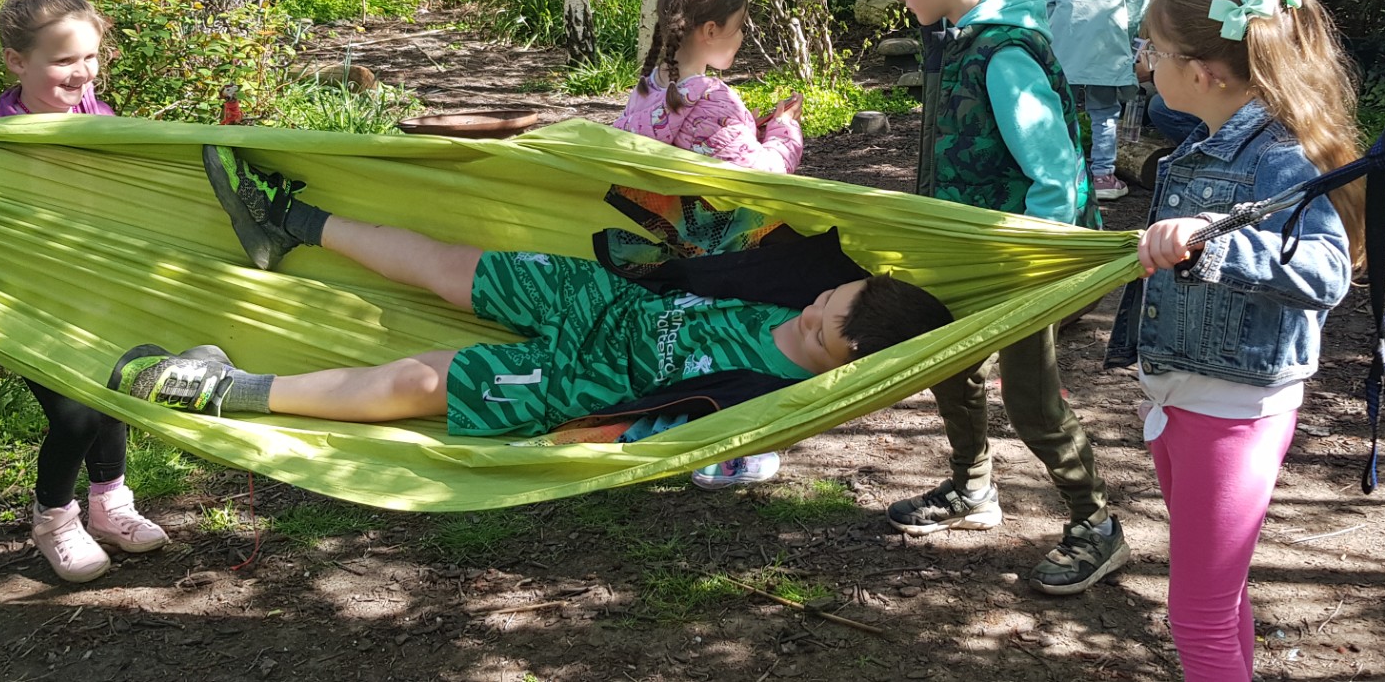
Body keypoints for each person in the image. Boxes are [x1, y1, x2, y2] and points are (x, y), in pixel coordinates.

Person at [109, 148, 954, 439]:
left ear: (849, 365)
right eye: (834, 296)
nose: (815, 310)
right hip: (605, 304)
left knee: (424, 381)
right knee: (453, 264)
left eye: (826, 328)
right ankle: (286, 220)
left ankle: (218, 390)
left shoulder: (779, 397)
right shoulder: (804, 288)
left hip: (585, 384)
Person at [1112, 0, 1364, 680]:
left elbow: (1328, 270)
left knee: (1195, 612)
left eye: (1153, 52)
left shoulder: (1279, 157)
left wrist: (1213, 244)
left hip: (1234, 408)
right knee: (1219, 598)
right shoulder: (1208, 135)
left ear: (1205, 73)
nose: (1142, 63)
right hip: (1181, 396)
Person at [876, 0, 1123, 597]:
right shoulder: (959, 37)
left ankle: (1095, 522)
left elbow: (1054, 172)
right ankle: (973, 486)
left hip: (1018, 265)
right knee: (949, 365)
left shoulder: (1004, 55)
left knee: (1032, 397)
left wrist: (1036, 265)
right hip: (968, 257)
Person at [0, 0, 169, 583]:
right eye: (64, 60)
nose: (83, 72)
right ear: (17, 61)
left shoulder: (100, 119)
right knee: (76, 414)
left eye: (90, 56)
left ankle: (109, 503)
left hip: (95, 292)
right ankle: (53, 516)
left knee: (115, 396)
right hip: (21, 304)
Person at [613, 0, 804, 488]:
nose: (742, 38)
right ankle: (724, 457)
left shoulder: (646, 93)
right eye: (739, 26)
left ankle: (665, 431)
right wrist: (784, 133)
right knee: (727, 349)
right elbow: (759, 179)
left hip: (659, 252)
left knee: (678, 348)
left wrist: (755, 129)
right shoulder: (713, 100)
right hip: (718, 253)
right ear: (710, 31)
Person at [1046, 0, 1148, 201]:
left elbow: (1049, 9)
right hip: (1107, 46)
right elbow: (1136, 13)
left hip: (1063, 47)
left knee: (1061, 108)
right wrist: (1124, 44)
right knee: (1104, 111)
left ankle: (1063, 172)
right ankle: (1103, 176)